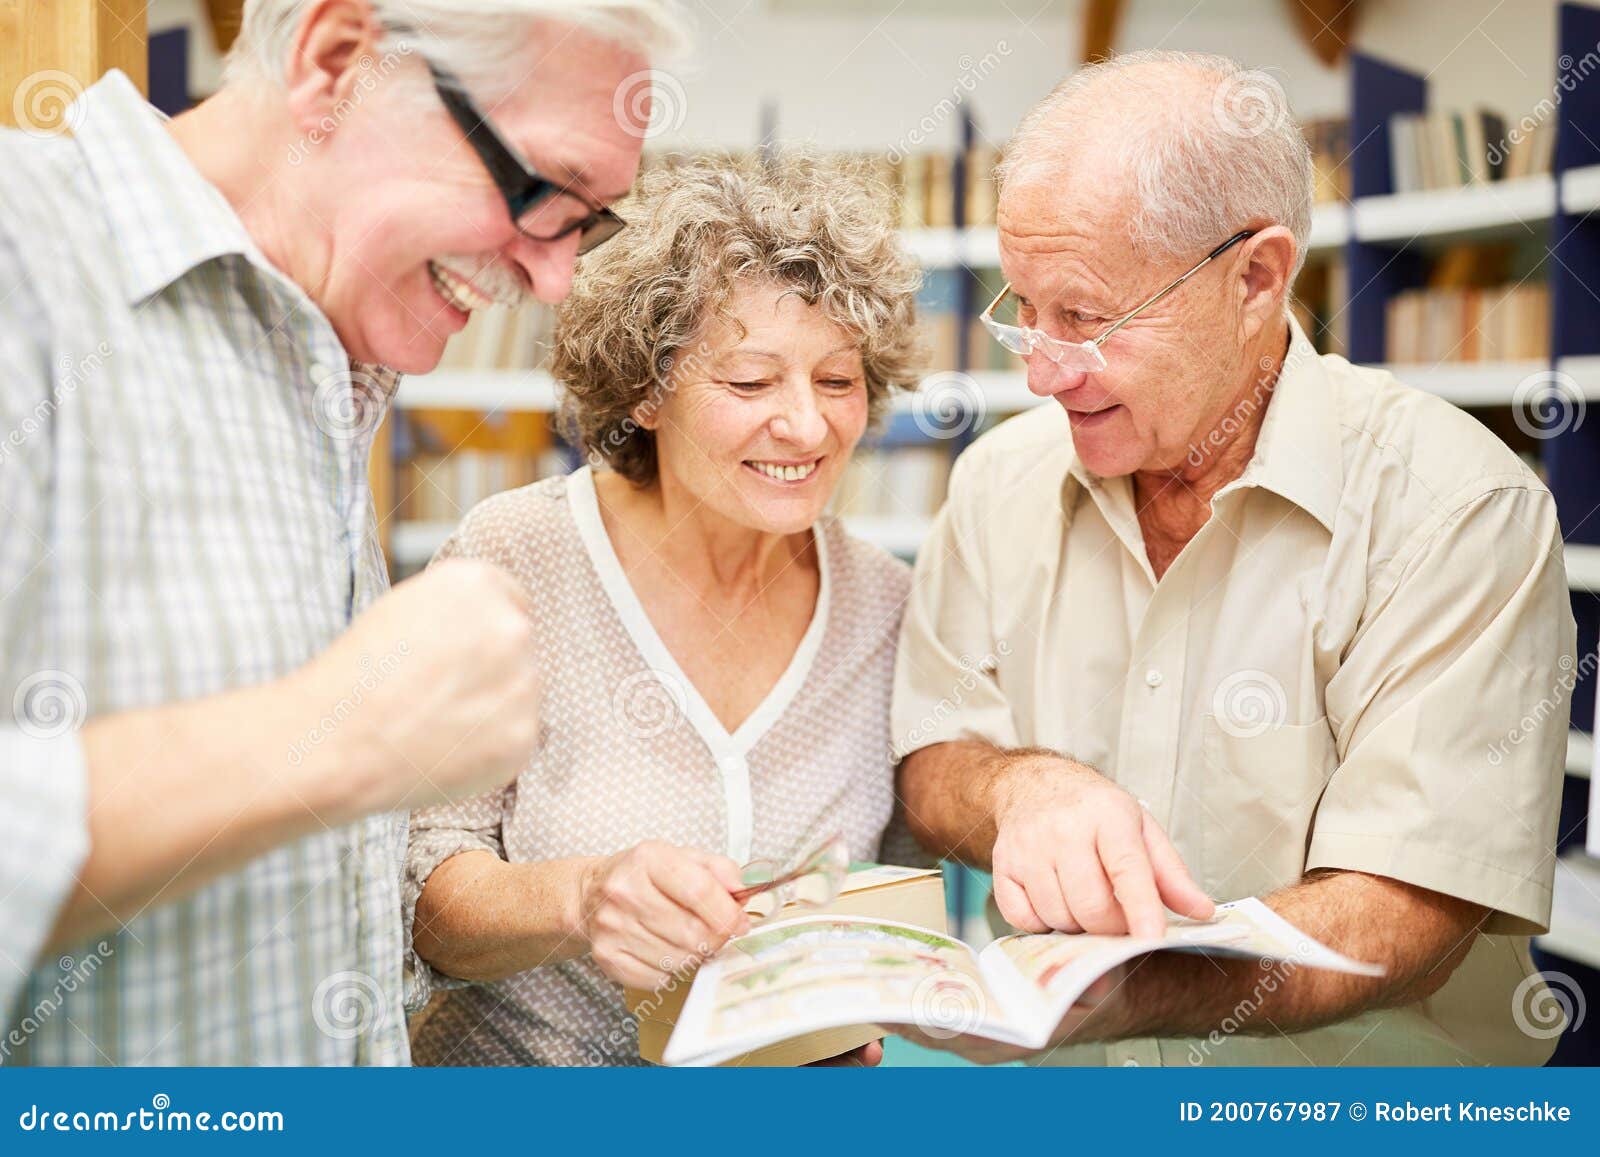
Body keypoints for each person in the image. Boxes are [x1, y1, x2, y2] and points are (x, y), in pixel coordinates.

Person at [0, 0, 686, 1064]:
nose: (555, 281)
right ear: (339, 62)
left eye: (587, 225)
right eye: (540, 193)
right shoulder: (22, 266)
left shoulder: (318, 350)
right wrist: (342, 736)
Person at [892, 50, 1575, 1066]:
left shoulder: (1459, 509)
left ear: (1255, 276)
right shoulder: (997, 484)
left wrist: (1140, 989)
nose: (1039, 370)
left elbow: (1406, 912)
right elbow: (935, 756)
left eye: (1082, 317)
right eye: (1020, 310)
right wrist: (1019, 786)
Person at [404, 152, 926, 1066]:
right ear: (646, 391)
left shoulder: (884, 602)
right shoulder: (516, 558)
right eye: (751, 382)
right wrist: (584, 896)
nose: (805, 427)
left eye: (836, 382)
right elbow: (426, 908)